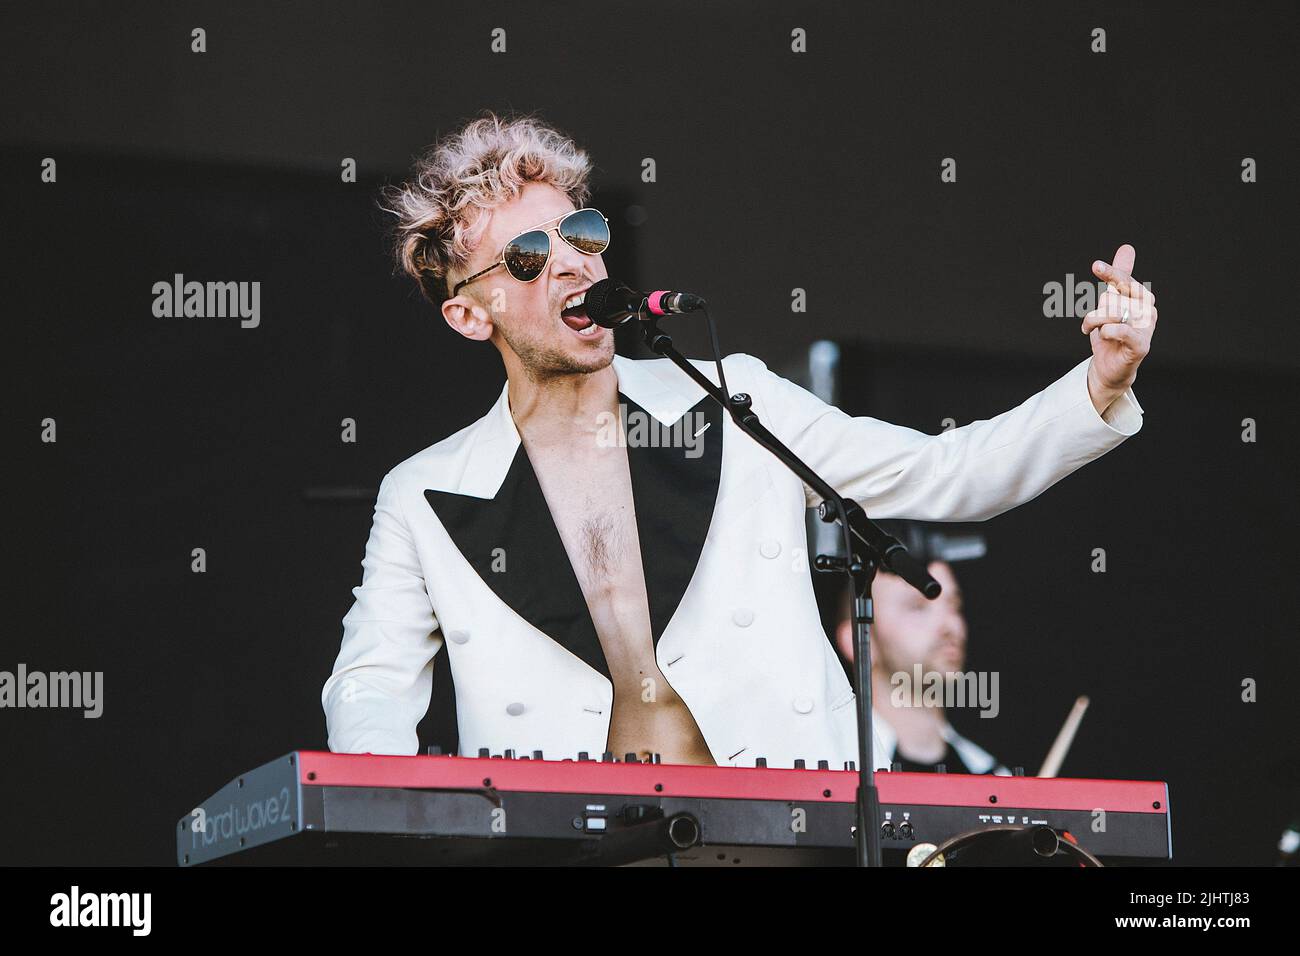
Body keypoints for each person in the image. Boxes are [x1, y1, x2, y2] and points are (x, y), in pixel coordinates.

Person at [321, 110, 1157, 768]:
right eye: (530, 257)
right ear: (470, 313)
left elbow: (945, 475)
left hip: (781, 828)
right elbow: (369, 691)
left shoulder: (734, 400)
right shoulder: (425, 494)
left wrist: (1101, 384)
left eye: (583, 237)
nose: (574, 265)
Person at [833, 525, 1009, 774]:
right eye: (917, 606)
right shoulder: (830, 766)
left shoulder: (995, 779)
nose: (950, 625)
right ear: (859, 641)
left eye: (954, 605)